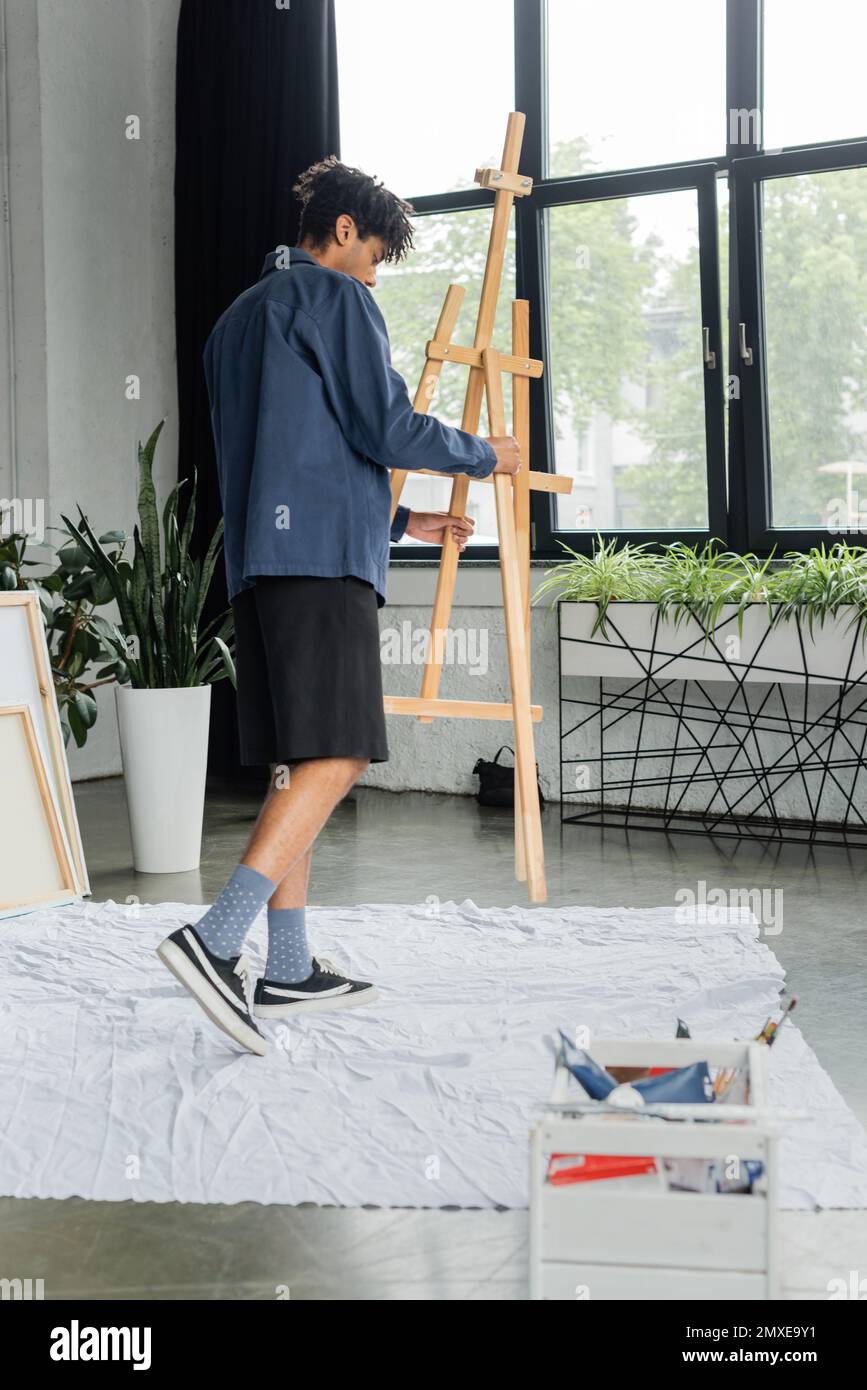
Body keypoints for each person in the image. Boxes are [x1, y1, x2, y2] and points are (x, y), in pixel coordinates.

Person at [156, 156, 521, 1055]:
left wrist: (403, 516)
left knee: (299, 762)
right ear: (344, 229)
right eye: (375, 255)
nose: (374, 275)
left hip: (264, 562)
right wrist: (489, 454)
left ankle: (286, 966)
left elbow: (292, 451)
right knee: (344, 751)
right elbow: (383, 427)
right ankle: (215, 938)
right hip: (319, 564)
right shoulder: (335, 298)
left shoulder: (236, 320)